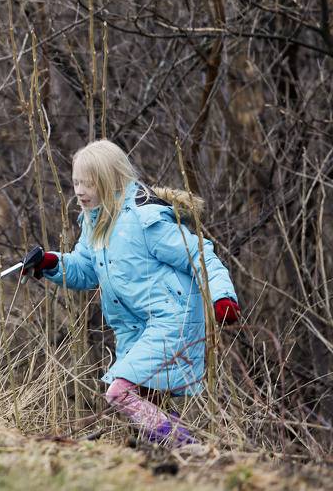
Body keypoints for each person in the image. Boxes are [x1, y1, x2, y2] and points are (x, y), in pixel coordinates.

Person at [20, 140, 241, 446]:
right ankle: (178, 459)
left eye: (89, 183)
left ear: (111, 180)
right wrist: (50, 263)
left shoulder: (144, 219)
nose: (80, 191)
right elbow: (84, 269)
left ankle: (189, 448)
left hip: (172, 321)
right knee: (146, 400)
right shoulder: (94, 222)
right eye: (76, 183)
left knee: (118, 391)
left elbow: (200, 256)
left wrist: (222, 298)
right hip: (135, 330)